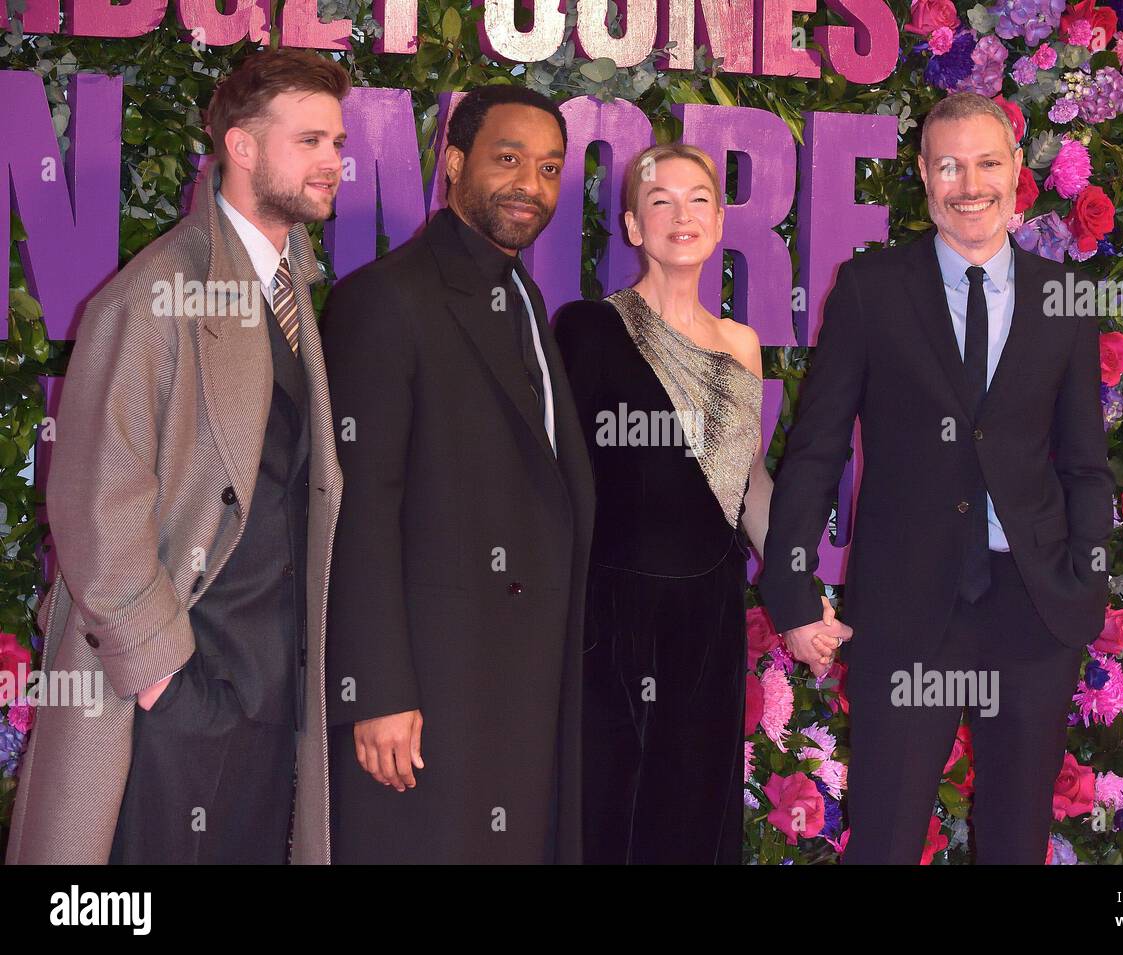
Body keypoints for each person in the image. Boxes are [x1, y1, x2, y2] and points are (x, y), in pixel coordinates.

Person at [6, 49, 349, 864]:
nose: (334, 162)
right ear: (241, 147)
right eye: (310, 140)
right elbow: (97, 500)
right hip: (174, 701)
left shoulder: (289, 284)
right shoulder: (156, 288)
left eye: (336, 142)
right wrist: (168, 683)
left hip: (266, 699)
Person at [759, 92, 1114, 864]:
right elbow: (817, 449)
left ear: (1018, 171)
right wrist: (789, 585)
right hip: (907, 607)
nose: (969, 183)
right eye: (949, 165)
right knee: (883, 836)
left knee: (1016, 840)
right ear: (923, 174)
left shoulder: (1066, 298)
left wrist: (1087, 578)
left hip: (1034, 609)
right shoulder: (870, 289)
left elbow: (1086, 464)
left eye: (987, 162)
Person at [321, 85, 595, 863]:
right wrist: (377, 690)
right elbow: (360, 506)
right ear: (452, 162)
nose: (530, 186)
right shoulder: (385, 299)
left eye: (548, 169)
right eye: (507, 159)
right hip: (433, 686)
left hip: (523, 678)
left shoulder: (526, 297)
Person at [553, 144, 849, 864]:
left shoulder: (741, 345)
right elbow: (557, 482)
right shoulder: (586, 329)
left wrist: (801, 596)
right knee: (604, 816)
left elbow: (744, 482)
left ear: (718, 220)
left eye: (696, 200)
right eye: (659, 201)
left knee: (692, 815)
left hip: (707, 616)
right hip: (611, 614)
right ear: (631, 225)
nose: (679, 215)